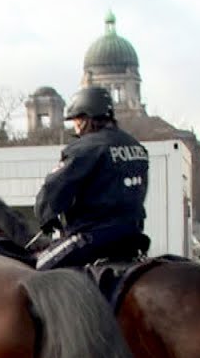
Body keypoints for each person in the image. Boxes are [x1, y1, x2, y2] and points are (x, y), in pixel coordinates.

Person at [33, 85, 151, 271]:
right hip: (133, 235)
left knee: (36, 272)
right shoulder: (136, 147)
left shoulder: (85, 148)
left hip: (93, 238)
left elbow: (53, 188)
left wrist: (46, 216)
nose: (76, 127)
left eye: (77, 120)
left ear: (87, 118)